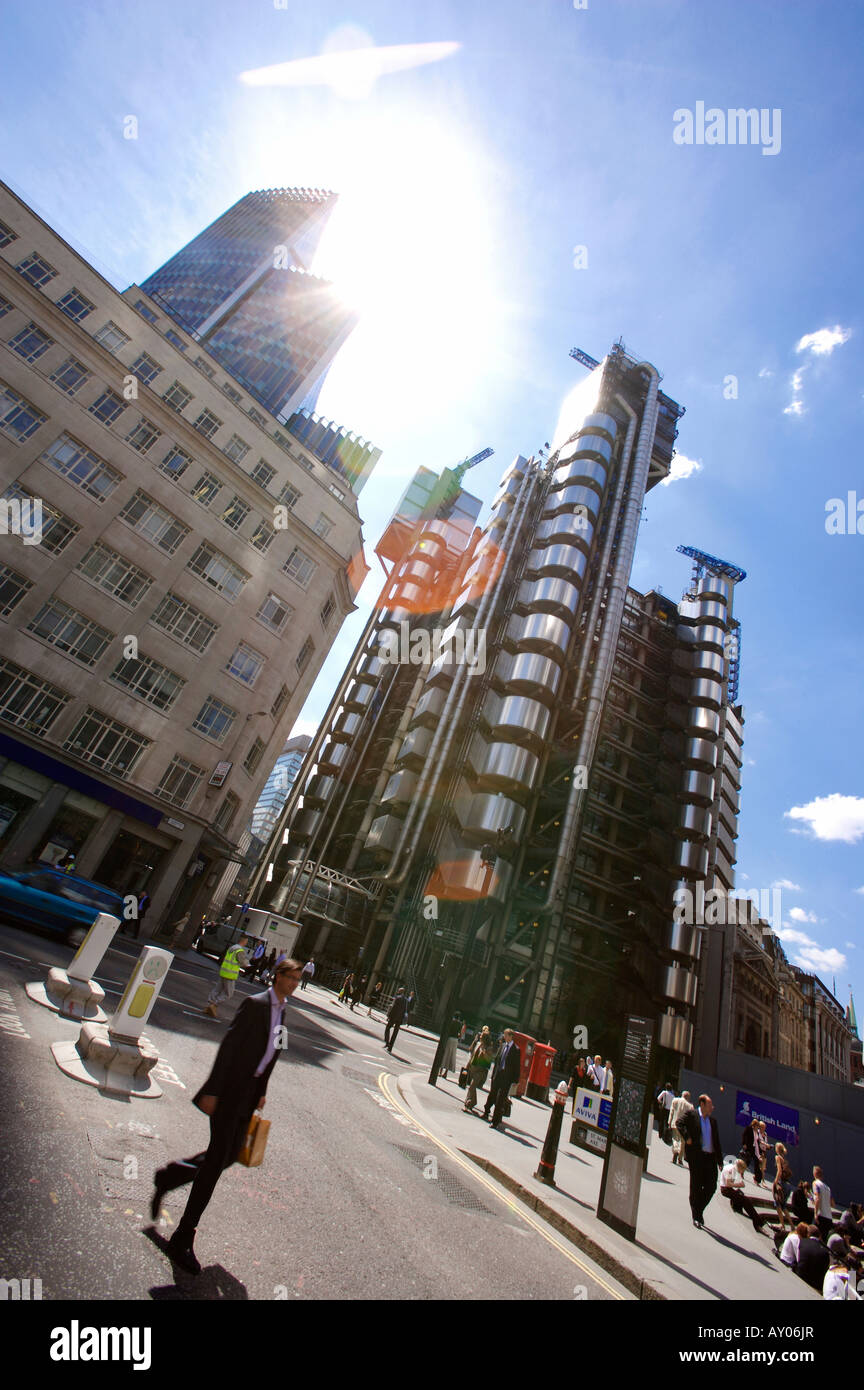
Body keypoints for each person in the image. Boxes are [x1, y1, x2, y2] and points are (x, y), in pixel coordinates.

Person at [150, 958, 304, 1274]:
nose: (294, 983)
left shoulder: (283, 1011)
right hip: (231, 1092)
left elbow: (274, 1053)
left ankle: (171, 1176)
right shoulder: (256, 1004)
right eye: (290, 977)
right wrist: (212, 1091)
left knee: (229, 1155)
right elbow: (229, 1047)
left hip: (249, 1096)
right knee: (216, 1163)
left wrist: (263, 1087)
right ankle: (183, 1236)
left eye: (298, 979)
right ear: (277, 976)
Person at [680, 1093, 723, 1229]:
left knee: (711, 1186)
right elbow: (679, 1123)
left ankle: (698, 1209)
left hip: (710, 1158)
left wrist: (720, 1161)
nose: (712, 1108)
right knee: (696, 1185)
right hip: (697, 1156)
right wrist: (687, 1138)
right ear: (702, 1104)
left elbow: (716, 1142)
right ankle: (696, 1215)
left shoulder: (713, 1122)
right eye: (710, 1105)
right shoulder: (692, 1115)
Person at [482, 1030, 522, 1129]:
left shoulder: (516, 1050)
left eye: (505, 1035)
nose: (504, 1037)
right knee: (492, 1095)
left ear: (511, 1036)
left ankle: (495, 1122)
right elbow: (497, 1060)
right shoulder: (503, 1046)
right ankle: (486, 1112)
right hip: (498, 1075)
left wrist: (515, 1082)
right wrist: (493, 1074)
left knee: (500, 1100)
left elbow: (517, 1066)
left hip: (506, 1078)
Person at [720, 1157, 771, 1233]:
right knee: (746, 1200)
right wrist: (739, 1185)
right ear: (740, 1167)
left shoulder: (732, 1168)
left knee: (741, 1195)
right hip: (725, 1190)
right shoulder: (731, 1170)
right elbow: (728, 1184)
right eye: (742, 1171)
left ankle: (736, 1206)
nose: (741, 1172)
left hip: (727, 1189)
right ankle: (757, 1223)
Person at [204, 937, 249, 1019]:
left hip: (224, 971)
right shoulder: (240, 951)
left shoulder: (232, 948)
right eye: (246, 941)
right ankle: (214, 1004)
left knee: (217, 989)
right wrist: (248, 964)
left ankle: (209, 1005)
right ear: (244, 941)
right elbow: (243, 963)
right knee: (229, 993)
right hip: (230, 974)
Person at [463, 1026, 494, 1113]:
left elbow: (489, 1060)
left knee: (472, 1087)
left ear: (485, 1039)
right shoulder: (478, 1044)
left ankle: (467, 1104)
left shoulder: (489, 1048)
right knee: (472, 1087)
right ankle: (473, 1102)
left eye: (481, 1037)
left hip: (481, 1071)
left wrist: (484, 1052)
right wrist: (467, 1066)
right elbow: (472, 1055)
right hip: (473, 1068)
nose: (480, 1038)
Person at [795, 1225, 831, 1293]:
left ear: (808, 1234)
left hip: (801, 1278)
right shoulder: (825, 1250)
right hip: (817, 1286)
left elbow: (798, 1260)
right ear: (819, 1236)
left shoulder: (802, 1242)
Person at [668, 1090, 694, 1167]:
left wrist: (669, 1122)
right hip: (684, 1127)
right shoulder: (690, 1106)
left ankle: (675, 1150)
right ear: (688, 1097)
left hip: (675, 1123)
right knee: (683, 1142)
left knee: (675, 1138)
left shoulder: (675, 1100)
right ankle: (680, 1158)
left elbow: (671, 1111)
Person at [772, 1142, 794, 1229]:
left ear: (777, 1149)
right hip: (788, 1185)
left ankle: (782, 1225)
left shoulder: (777, 1157)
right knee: (783, 1206)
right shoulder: (784, 1159)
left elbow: (779, 1171)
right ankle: (792, 1225)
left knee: (777, 1204)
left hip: (781, 1183)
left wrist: (775, 1182)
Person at [812, 1166, 834, 1242]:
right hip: (829, 1218)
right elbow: (832, 1204)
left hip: (821, 1216)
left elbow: (817, 1198)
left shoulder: (815, 1183)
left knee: (814, 1237)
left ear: (815, 1174)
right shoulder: (828, 1188)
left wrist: (815, 1213)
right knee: (824, 1241)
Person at [384, 988, 407, 1053]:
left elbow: (394, 1007)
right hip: (399, 1019)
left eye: (398, 991)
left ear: (400, 992)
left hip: (393, 1017)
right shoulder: (405, 1000)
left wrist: (389, 1016)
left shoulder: (397, 998)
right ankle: (390, 1048)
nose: (397, 991)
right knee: (395, 1033)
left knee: (387, 1028)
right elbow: (405, 1010)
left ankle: (387, 1042)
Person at [439, 1014, 461, 1079]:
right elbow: (460, 1034)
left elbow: (447, 1030)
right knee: (451, 1055)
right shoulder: (460, 1024)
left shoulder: (451, 1022)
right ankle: (445, 1073)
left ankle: (440, 1072)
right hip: (455, 1040)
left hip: (450, 1038)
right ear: (458, 1018)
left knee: (445, 1054)